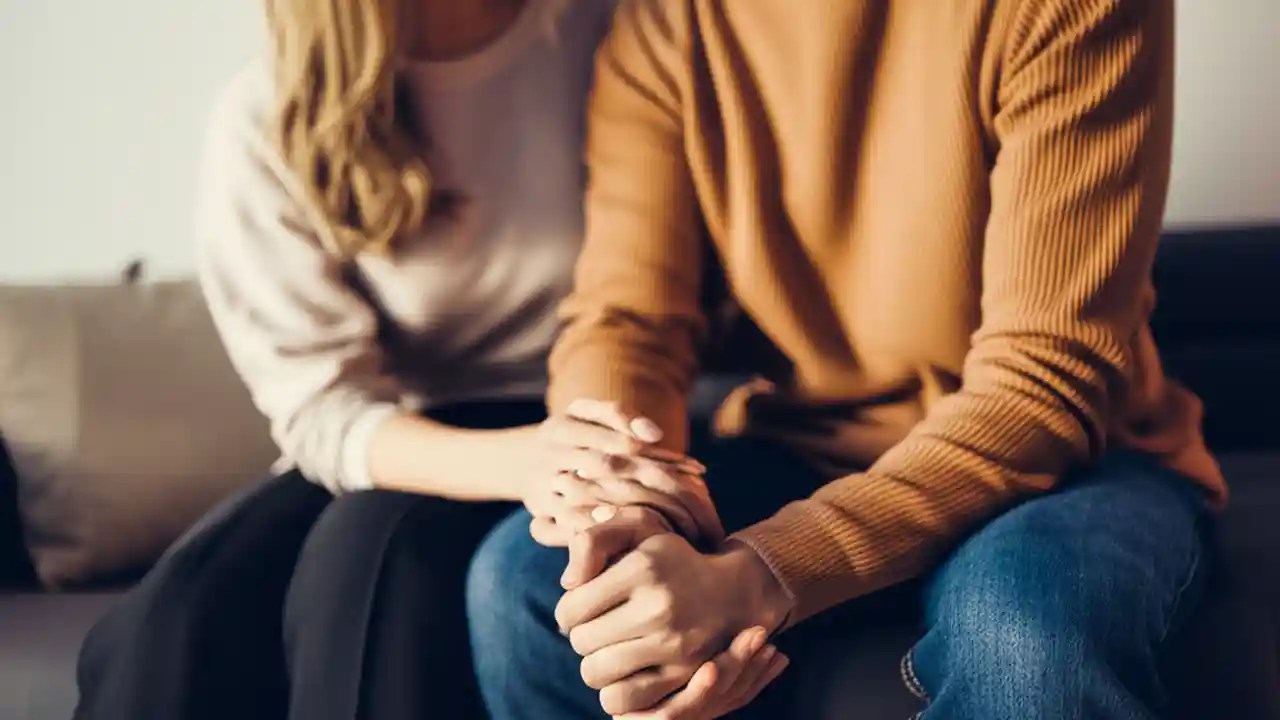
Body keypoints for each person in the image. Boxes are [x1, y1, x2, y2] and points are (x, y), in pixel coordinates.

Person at [466, 0, 1228, 718]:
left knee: (1028, 637)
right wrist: (629, 514)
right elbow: (630, 322)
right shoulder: (668, 23)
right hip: (807, 445)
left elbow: (1043, 384)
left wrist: (767, 571)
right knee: (531, 586)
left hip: (1071, 464)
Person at [74, 1, 777, 719]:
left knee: (373, 573)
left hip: (618, 411)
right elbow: (324, 412)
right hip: (413, 441)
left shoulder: (603, 28)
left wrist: (581, 456)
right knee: (177, 621)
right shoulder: (267, 113)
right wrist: (532, 461)